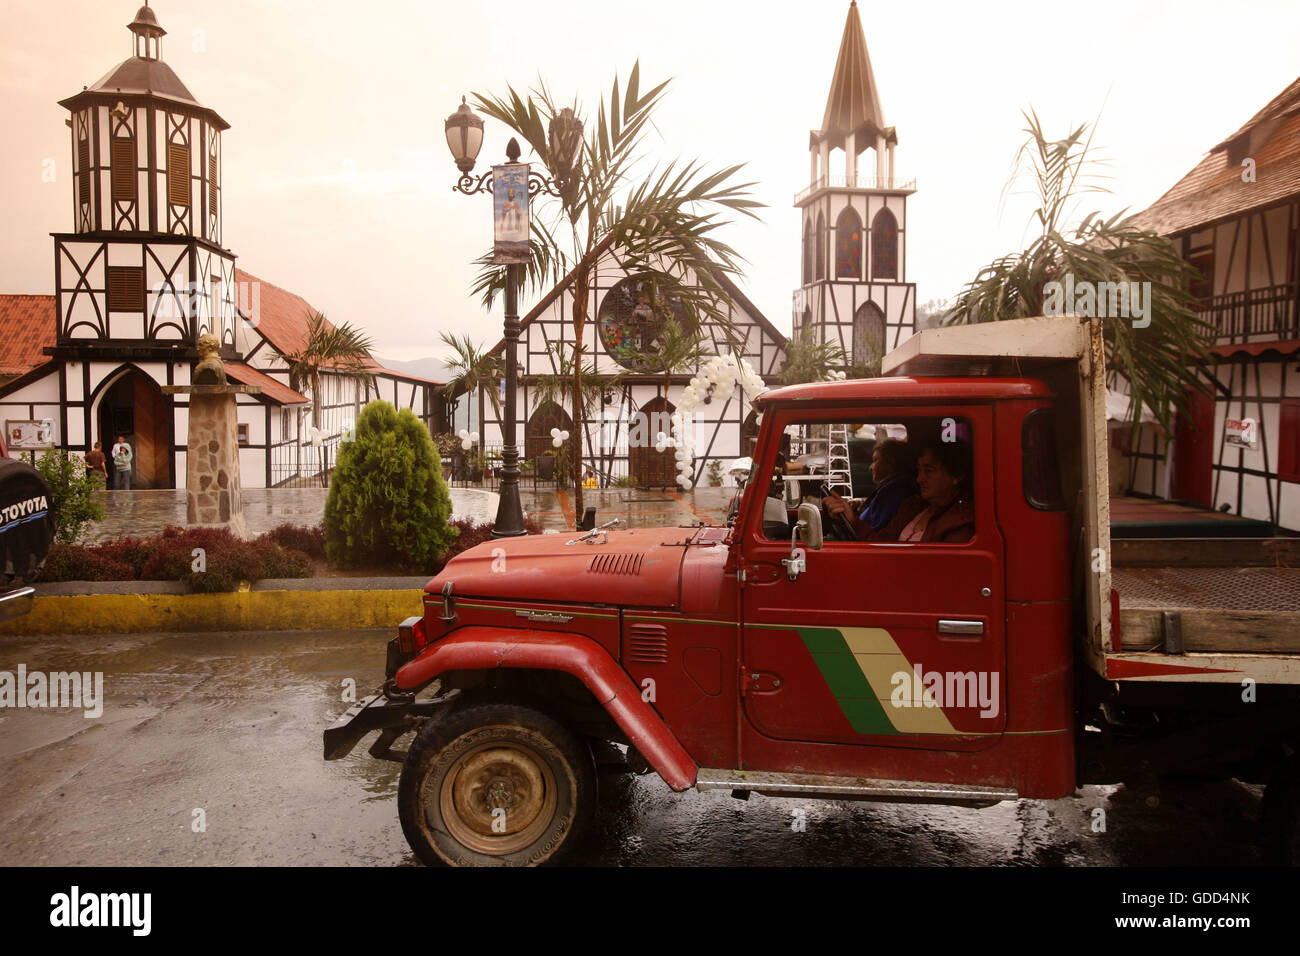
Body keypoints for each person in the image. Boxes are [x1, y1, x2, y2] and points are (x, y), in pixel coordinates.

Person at [875, 440, 974, 543]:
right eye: (919, 470)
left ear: (956, 475)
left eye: (929, 471)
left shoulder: (961, 521)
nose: (919, 479)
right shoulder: (914, 505)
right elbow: (883, 541)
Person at [824, 438, 917, 539]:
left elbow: (871, 533)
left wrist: (853, 519)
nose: (870, 467)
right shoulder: (892, 486)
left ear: (890, 461)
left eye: (876, 460)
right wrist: (860, 505)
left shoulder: (894, 491)